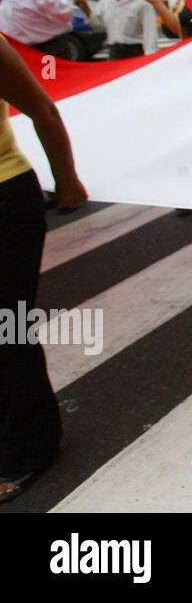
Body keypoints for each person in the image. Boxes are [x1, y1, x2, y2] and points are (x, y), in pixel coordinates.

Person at [0, 32, 87, 503]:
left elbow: (43, 110)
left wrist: (67, 181)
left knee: (6, 328)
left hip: (5, 199)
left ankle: (30, 446)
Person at [73, 0, 158, 59]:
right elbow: (100, 27)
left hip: (136, 52)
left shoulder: (142, 0)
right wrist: (86, 8)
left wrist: (149, 58)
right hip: (114, 52)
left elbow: (150, 33)